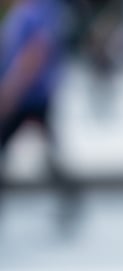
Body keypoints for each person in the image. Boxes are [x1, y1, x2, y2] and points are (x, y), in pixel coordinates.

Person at [0, 0, 78, 228]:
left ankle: (70, 198)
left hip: (29, 97)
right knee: (48, 152)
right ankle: (70, 198)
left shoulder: (33, 12)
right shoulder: (43, 10)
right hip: (37, 95)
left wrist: (11, 90)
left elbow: (35, 52)